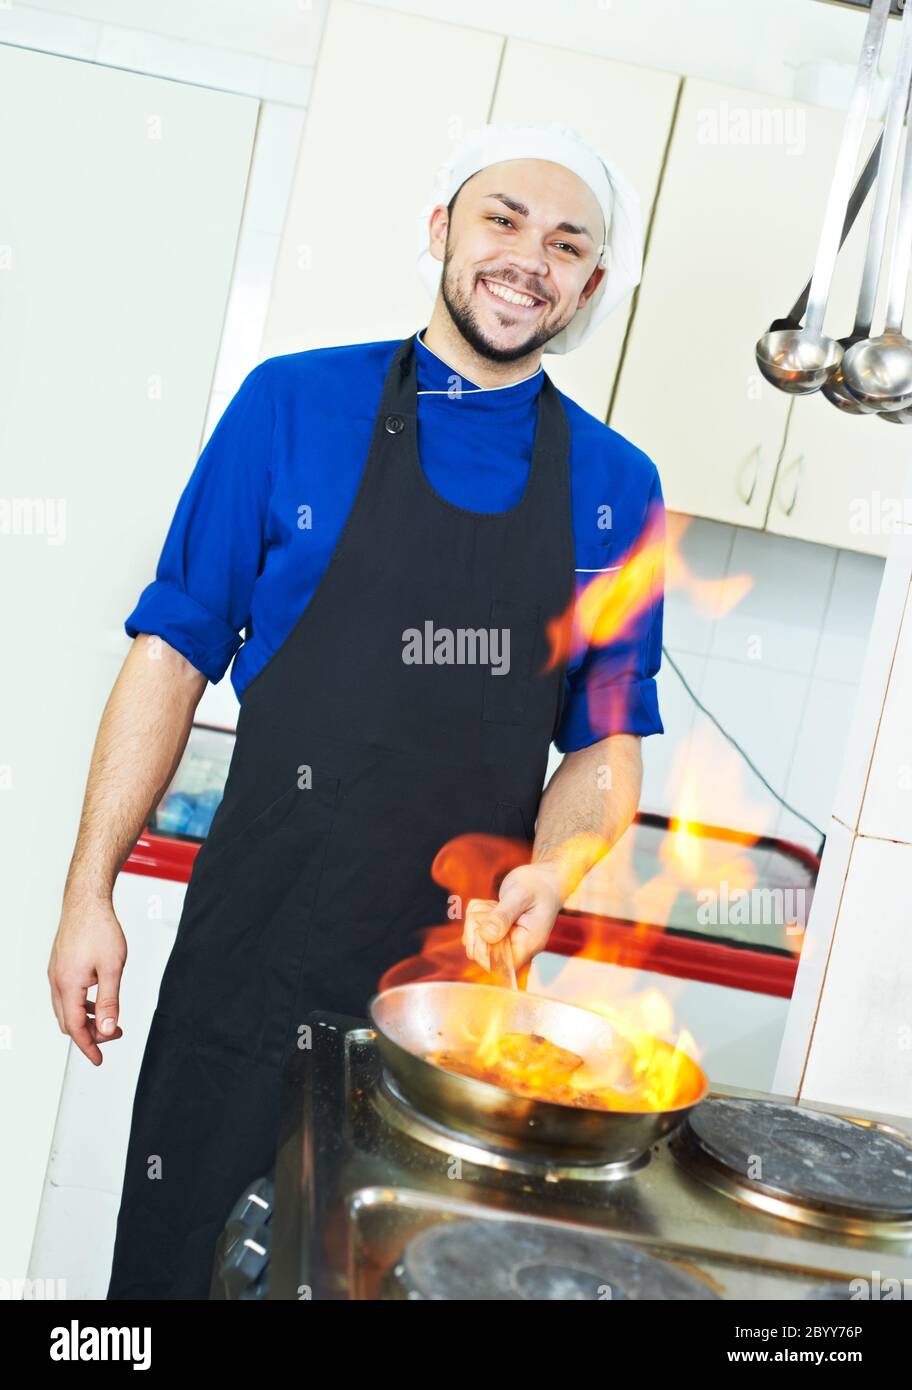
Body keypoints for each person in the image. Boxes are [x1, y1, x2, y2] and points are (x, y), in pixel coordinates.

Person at [47, 121, 666, 1299]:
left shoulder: (616, 487)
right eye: (503, 219)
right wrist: (91, 890)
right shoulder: (292, 405)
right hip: (252, 952)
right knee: (177, 1275)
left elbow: (602, 742)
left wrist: (557, 867)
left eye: (568, 242)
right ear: (440, 230)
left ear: (590, 284)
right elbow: (169, 653)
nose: (530, 257)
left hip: (447, 1006)